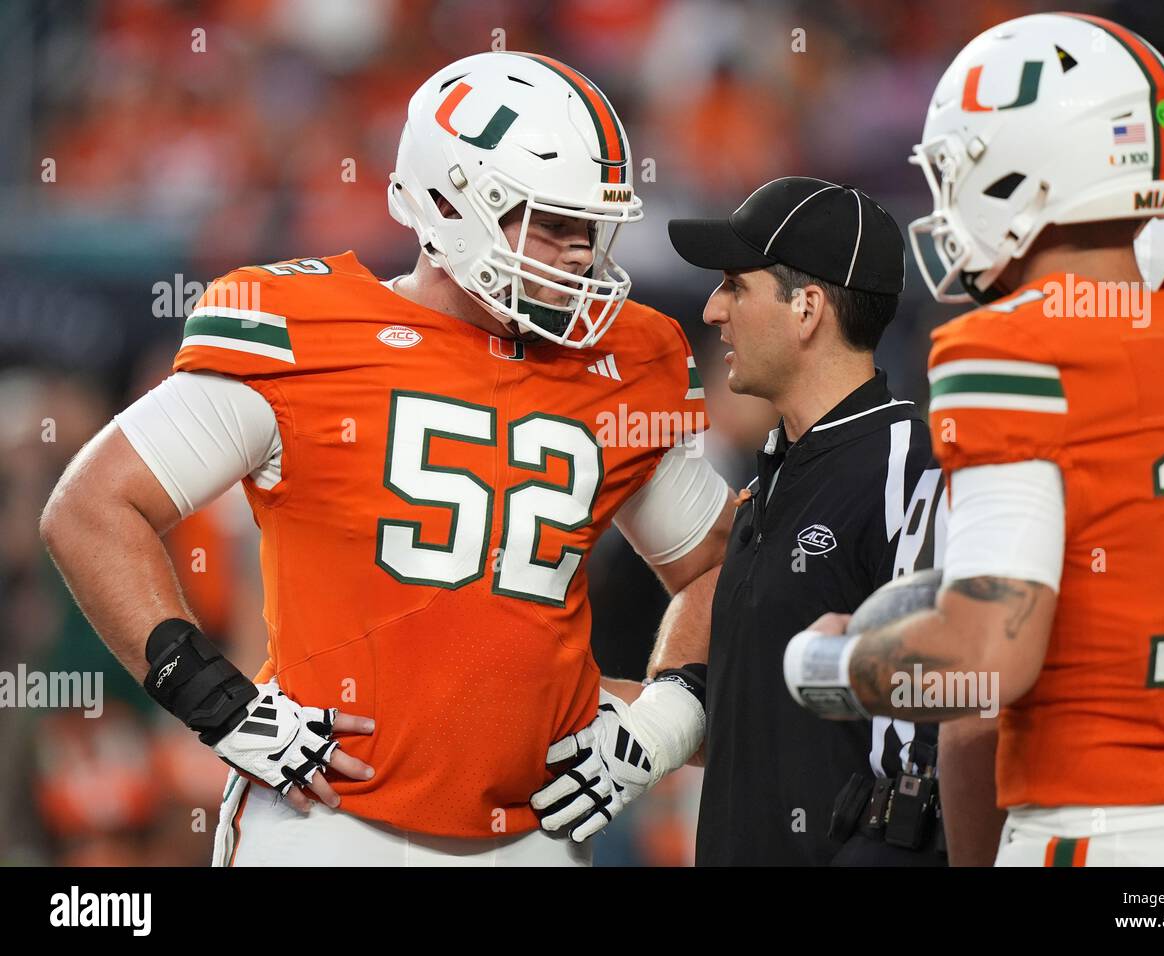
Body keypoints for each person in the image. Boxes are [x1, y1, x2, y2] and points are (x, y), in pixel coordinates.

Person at [39, 51, 734, 867]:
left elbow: (720, 563)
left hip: (539, 833)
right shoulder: (304, 328)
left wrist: (667, 718)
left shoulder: (626, 359)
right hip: (326, 827)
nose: (581, 255)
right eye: (551, 223)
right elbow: (90, 509)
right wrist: (218, 704)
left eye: (592, 228)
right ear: (449, 204)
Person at [784, 12, 1164, 866]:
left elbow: (987, 660)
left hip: (1098, 834)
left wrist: (835, 663)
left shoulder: (1012, 346)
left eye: (957, 170)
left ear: (1028, 174)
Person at [669, 177, 942, 865]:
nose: (711, 309)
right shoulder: (777, 471)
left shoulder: (909, 465)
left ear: (807, 308)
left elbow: (929, 741)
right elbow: (757, 713)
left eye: (735, 285)